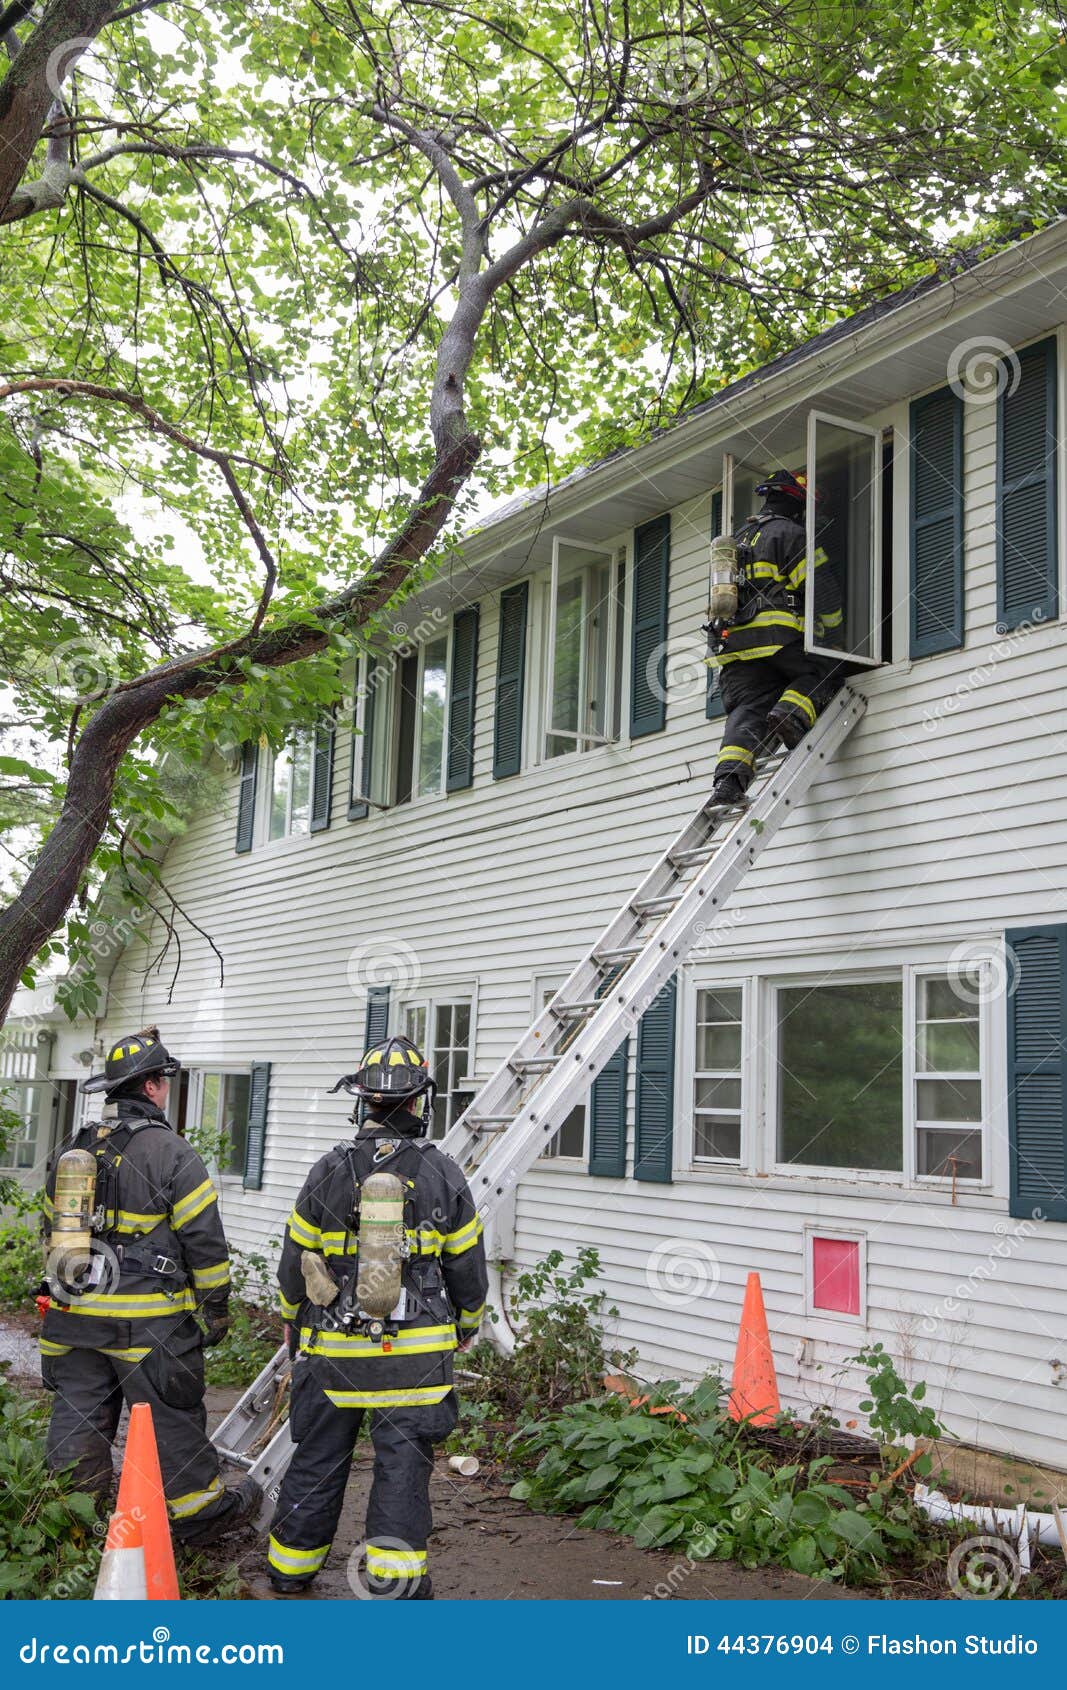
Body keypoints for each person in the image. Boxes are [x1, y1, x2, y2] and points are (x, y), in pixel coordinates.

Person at [267, 1034, 489, 1599]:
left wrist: (294, 1318)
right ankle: (394, 1586)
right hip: (413, 1363)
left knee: (317, 1458)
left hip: (332, 1356)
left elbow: (295, 1264)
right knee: (401, 1469)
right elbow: (468, 1268)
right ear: (419, 1103)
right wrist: (465, 1325)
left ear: (363, 1101)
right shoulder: (442, 1173)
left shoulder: (327, 1170)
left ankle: (290, 1572)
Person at [40, 1028, 260, 1542]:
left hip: (71, 1317)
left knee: (77, 1415)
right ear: (154, 1087)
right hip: (147, 1326)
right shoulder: (172, 1152)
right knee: (169, 1412)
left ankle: (73, 1522)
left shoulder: (71, 1150)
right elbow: (204, 1240)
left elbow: (50, 1230)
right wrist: (216, 1306)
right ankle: (195, 1516)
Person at [708, 468, 844, 804]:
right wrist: (837, 630)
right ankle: (790, 717)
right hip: (777, 638)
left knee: (747, 710)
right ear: (794, 503)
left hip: (735, 648)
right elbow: (819, 589)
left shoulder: (736, 541)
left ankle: (729, 781)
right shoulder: (791, 533)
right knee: (824, 669)